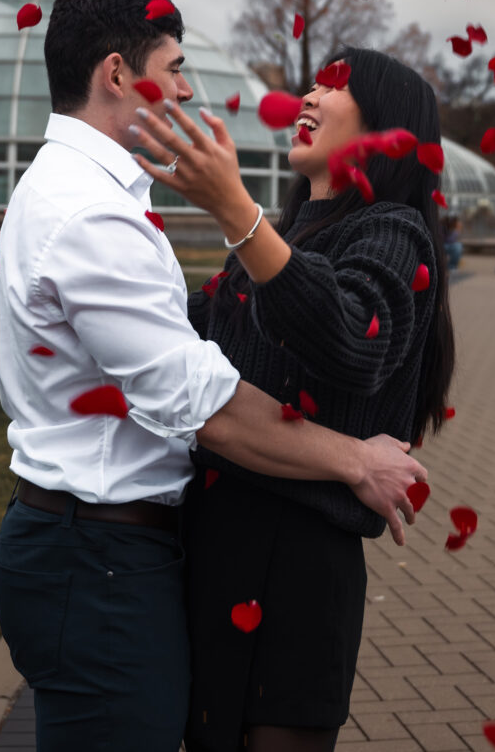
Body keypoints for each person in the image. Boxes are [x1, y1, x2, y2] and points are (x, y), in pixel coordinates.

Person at [0, 0, 426, 752]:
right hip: (104, 561)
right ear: (118, 75)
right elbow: (201, 400)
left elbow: (339, 336)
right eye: (172, 66)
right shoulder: (89, 214)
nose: (184, 87)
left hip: (166, 558)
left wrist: (71, 288)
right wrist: (355, 460)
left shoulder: (79, 204)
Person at [127, 47, 456, 752]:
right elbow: (198, 332)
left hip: (298, 569)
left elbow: (351, 338)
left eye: (331, 87)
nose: (305, 97)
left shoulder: (391, 231)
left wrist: (237, 215)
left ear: (385, 127)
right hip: (219, 547)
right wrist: (69, 270)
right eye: (309, 83)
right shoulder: (290, 234)